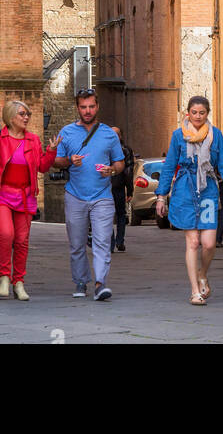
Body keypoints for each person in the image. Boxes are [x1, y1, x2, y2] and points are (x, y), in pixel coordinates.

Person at [154, 95, 223, 305]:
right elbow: (168, 166)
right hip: (184, 190)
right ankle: (195, 291)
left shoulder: (216, 135)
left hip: (209, 189)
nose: (198, 116)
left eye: (202, 113)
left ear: (207, 114)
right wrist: (161, 196)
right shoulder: (177, 136)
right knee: (193, 242)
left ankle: (203, 273)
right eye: (194, 113)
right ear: (188, 114)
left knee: (209, 244)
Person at [0, 99, 58, 301]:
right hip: (1, 192)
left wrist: (52, 151)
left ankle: (18, 282)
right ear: (10, 117)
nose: (26, 117)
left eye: (27, 114)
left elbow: (42, 167)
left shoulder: (33, 139)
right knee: (6, 233)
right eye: (22, 114)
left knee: (22, 240)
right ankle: (4, 276)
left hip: (25, 195)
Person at [54, 88, 125, 301]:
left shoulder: (109, 134)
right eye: (83, 107)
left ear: (97, 107)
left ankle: (100, 283)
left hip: (102, 195)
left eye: (91, 106)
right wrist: (69, 161)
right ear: (77, 108)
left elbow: (120, 162)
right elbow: (56, 161)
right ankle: (80, 281)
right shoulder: (66, 132)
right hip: (75, 195)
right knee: (76, 243)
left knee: (102, 241)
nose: (87, 111)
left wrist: (112, 170)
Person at [110, 125, 134, 254]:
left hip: (117, 187)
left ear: (120, 136)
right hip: (106, 188)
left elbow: (128, 172)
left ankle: (117, 242)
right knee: (112, 215)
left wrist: (129, 191)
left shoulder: (124, 150)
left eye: (116, 134)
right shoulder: (125, 149)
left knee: (119, 215)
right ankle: (117, 242)